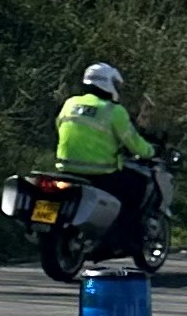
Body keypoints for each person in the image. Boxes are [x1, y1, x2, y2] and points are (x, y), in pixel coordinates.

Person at [55, 61, 156, 231]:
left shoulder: (70, 104)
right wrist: (150, 151)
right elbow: (134, 143)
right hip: (100, 174)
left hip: (66, 169)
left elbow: (59, 127)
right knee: (138, 185)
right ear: (108, 83)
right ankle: (126, 234)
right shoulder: (113, 111)